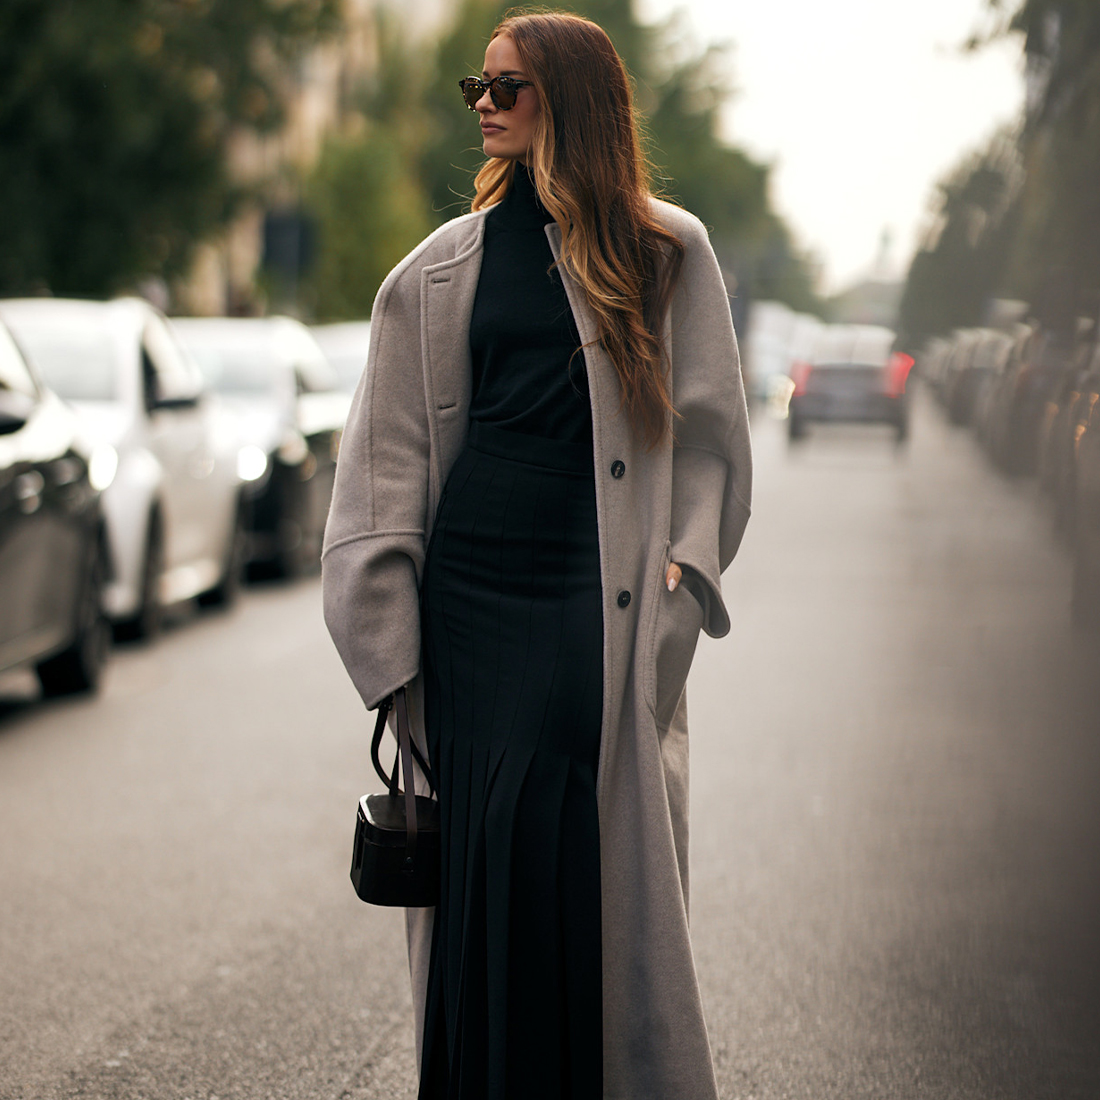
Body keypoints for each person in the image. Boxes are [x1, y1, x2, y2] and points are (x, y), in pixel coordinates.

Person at [322, 10, 752, 1099]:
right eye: (477, 85)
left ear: (569, 98)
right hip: (468, 601)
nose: (482, 104)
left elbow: (708, 438)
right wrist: (390, 645)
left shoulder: (663, 251)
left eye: (505, 87)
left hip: (588, 598)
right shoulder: (432, 273)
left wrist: (684, 576)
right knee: (480, 855)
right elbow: (382, 465)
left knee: (567, 846)